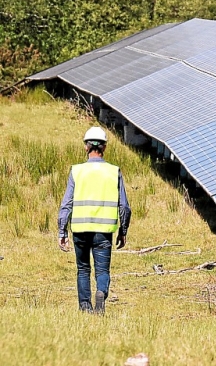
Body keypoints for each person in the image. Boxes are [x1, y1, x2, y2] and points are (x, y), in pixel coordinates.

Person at [58, 126, 131, 314]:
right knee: (102, 271)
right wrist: (123, 231)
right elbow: (124, 206)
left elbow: (66, 203)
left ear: (86, 147)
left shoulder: (76, 171)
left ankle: (85, 306)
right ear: (104, 147)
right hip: (104, 231)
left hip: (80, 229)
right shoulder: (114, 171)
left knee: (83, 269)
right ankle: (101, 292)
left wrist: (62, 231)